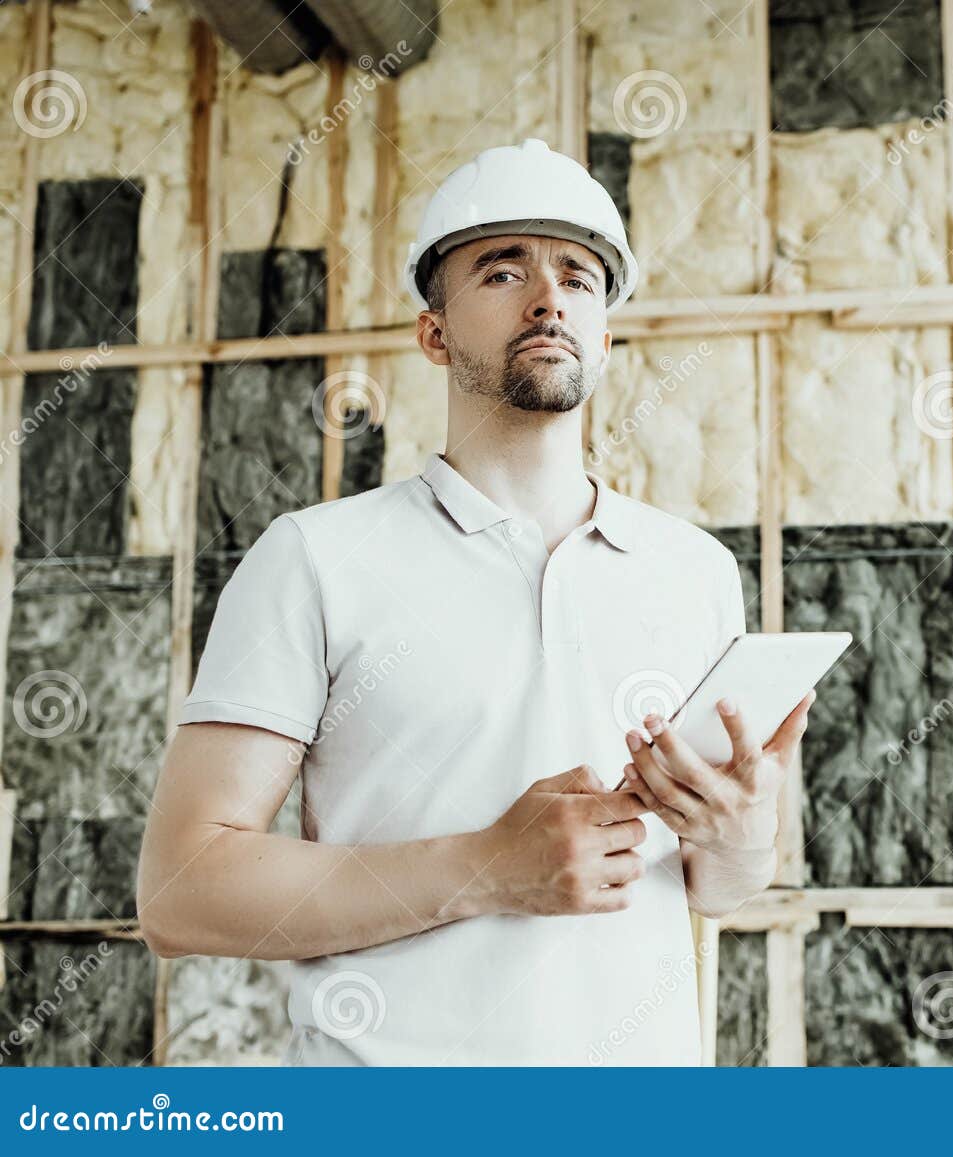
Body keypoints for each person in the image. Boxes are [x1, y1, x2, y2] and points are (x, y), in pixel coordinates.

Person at [136, 138, 812, 1066]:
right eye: (502, 270)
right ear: (435, 331)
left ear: (605, 333)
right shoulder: (316, 557)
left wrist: (741, 834)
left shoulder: (695, 571)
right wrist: (488, 867)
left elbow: (714, 886)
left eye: (579, 276)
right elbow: (180, 891)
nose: (548, 297)